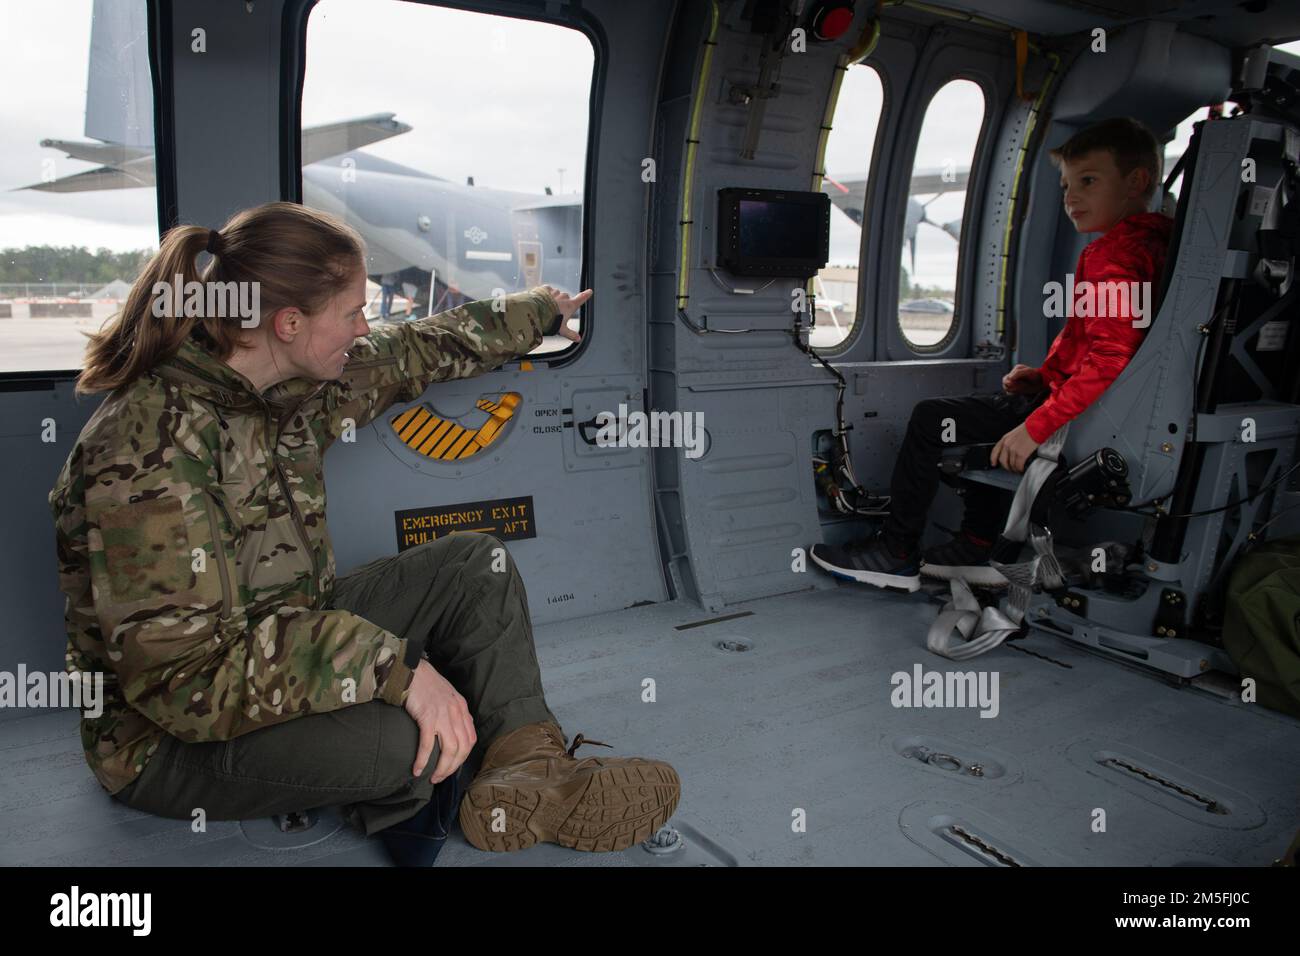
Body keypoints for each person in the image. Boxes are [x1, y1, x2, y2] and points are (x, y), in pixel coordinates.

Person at [47, 201, 680, 863]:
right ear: (290, 322)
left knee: (473, 565)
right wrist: (397, 670)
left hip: (283, 634)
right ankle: (452, 789)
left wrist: (538, 311)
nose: (364, 326)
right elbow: (184, 682)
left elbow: (414, 350)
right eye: (352, 312)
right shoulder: (148, 449)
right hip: (164, 740)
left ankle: (531, 770)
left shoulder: (288, 386)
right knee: (402, 744)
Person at [812, 117, 1175, 590]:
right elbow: (1113, 345)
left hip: (1083, 423)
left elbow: (1111, 360)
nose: (1071, 197)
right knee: (978, 418)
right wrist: (1045, 377)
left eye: (1089, 181)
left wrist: (1034, 426)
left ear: (1137, 182)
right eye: (1066, 184)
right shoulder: (1159, 243)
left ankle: (896, 552)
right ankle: (977, 543)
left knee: (930, 420)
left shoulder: (1114, 256)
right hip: (1107, 412)